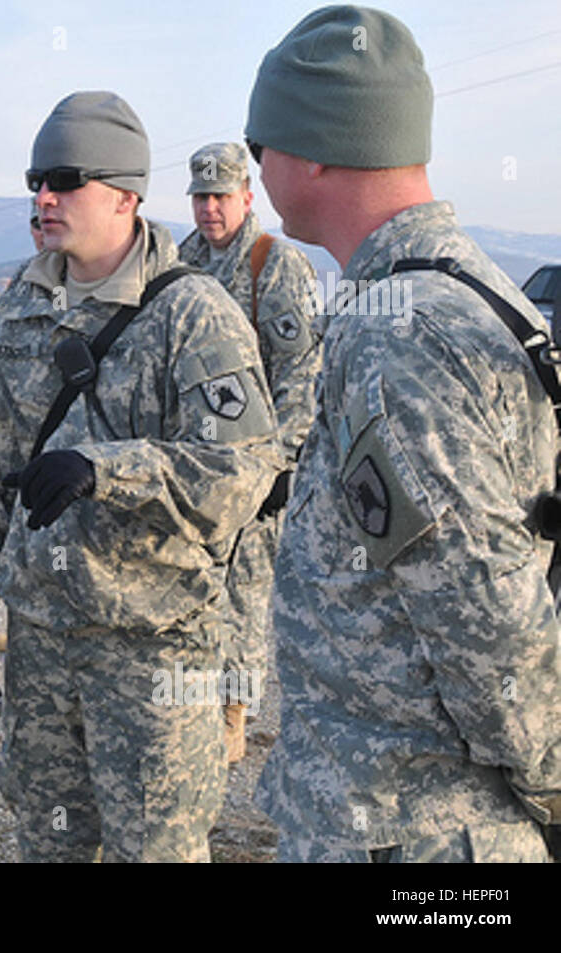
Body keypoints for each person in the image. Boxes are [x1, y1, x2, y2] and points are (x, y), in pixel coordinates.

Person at [248, 5, 561, 862]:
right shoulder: (458, 288)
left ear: (313, 147)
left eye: (257, 147)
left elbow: (489, 620)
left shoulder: (402, 331)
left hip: (417, 839)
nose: (257, 169)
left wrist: (553, 790)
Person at [0, 91, 281, 862]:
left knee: (155, 850)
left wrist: (108, 469)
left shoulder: (193, 314)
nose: (43, 196)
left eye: (65, 178)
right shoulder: (22, 307)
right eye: (36, 178)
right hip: (42, 646)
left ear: (127, 195)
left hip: (154, 654)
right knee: (48, 842)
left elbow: (244, 474)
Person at [177, 142, 321, 762]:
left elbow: (301, 371)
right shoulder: (180, 261)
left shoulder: (275, 266)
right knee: (186, 583)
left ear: (245, 197)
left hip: (251, 464)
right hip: (188, 459)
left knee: (242, 594)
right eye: (200, 197)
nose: (209, 209)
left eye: (220, 197)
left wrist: (281, 461)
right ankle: (188, 702)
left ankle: (233, 715)